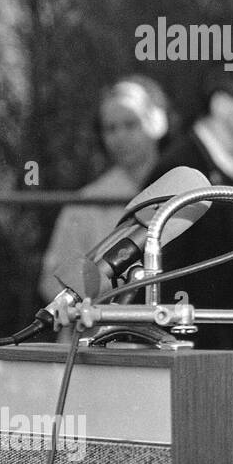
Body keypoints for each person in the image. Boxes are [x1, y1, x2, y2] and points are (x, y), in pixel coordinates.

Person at [145, 67, 233, 349]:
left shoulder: (212, 166)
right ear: (220, 104)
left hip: (206, 334)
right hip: (185, 339)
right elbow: (164, 267)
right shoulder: (182, 168)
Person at [39, 76, 171, 300]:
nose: (120, 137)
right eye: (110, 128)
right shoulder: (86, 202)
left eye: (130, 124)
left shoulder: (183, 192)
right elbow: (52, 284)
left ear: (159, 123)